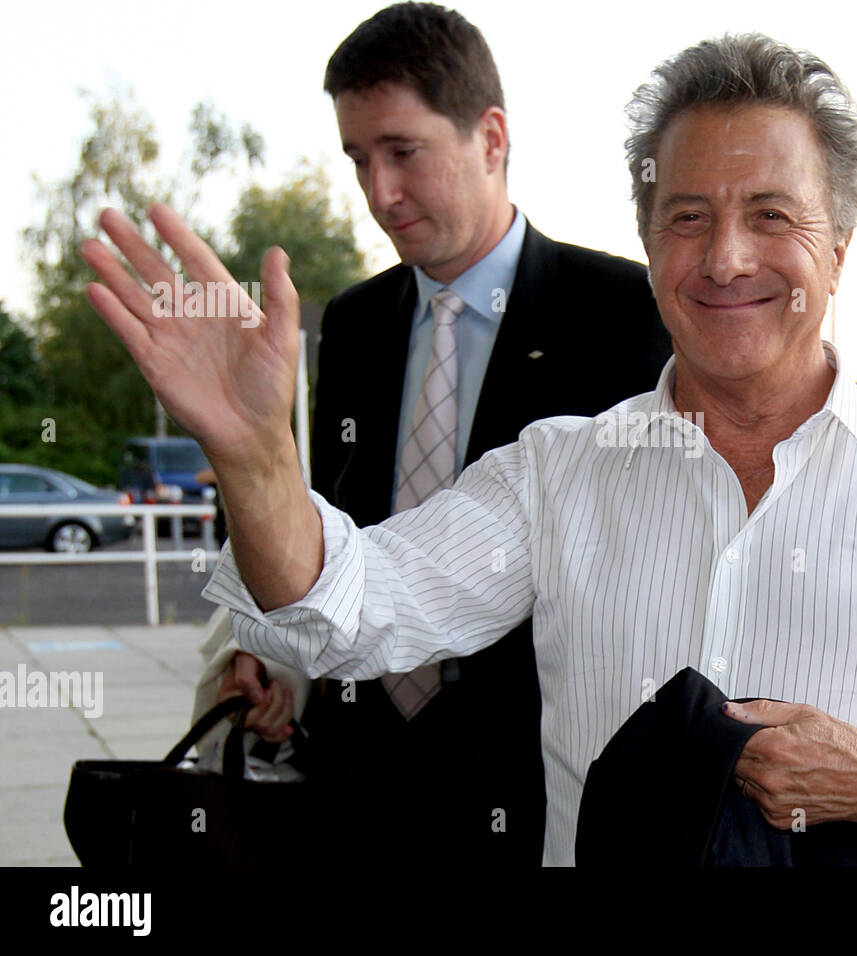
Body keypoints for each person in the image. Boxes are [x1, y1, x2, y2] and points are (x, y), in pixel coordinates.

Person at [82, 32, 857, 867]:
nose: (724, 255)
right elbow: (348, 606)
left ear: (840, 246)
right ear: (649, 242)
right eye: (686, 216)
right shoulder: (555, 474)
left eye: (770, 214)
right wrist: (256, 455)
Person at [188, 2, 671, 867]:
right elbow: (336, 527)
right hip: (356, 784)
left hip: (539, 793)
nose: (379, 193)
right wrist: (268, 654)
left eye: (402, 151)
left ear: (491, 138)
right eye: (358, 159)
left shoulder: (629, 315)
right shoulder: (357, 322)